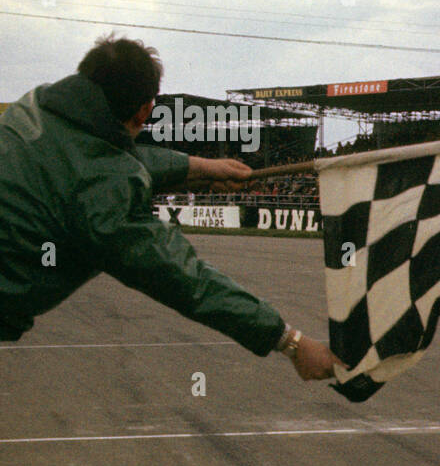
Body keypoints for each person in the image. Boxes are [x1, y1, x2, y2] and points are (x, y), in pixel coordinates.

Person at [0, 35, 339, 380]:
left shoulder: (35, 106)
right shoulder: (102, 193)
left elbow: (90, 161)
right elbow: (184, 278)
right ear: (146, 110)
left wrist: (198, 168)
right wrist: (289, 341)